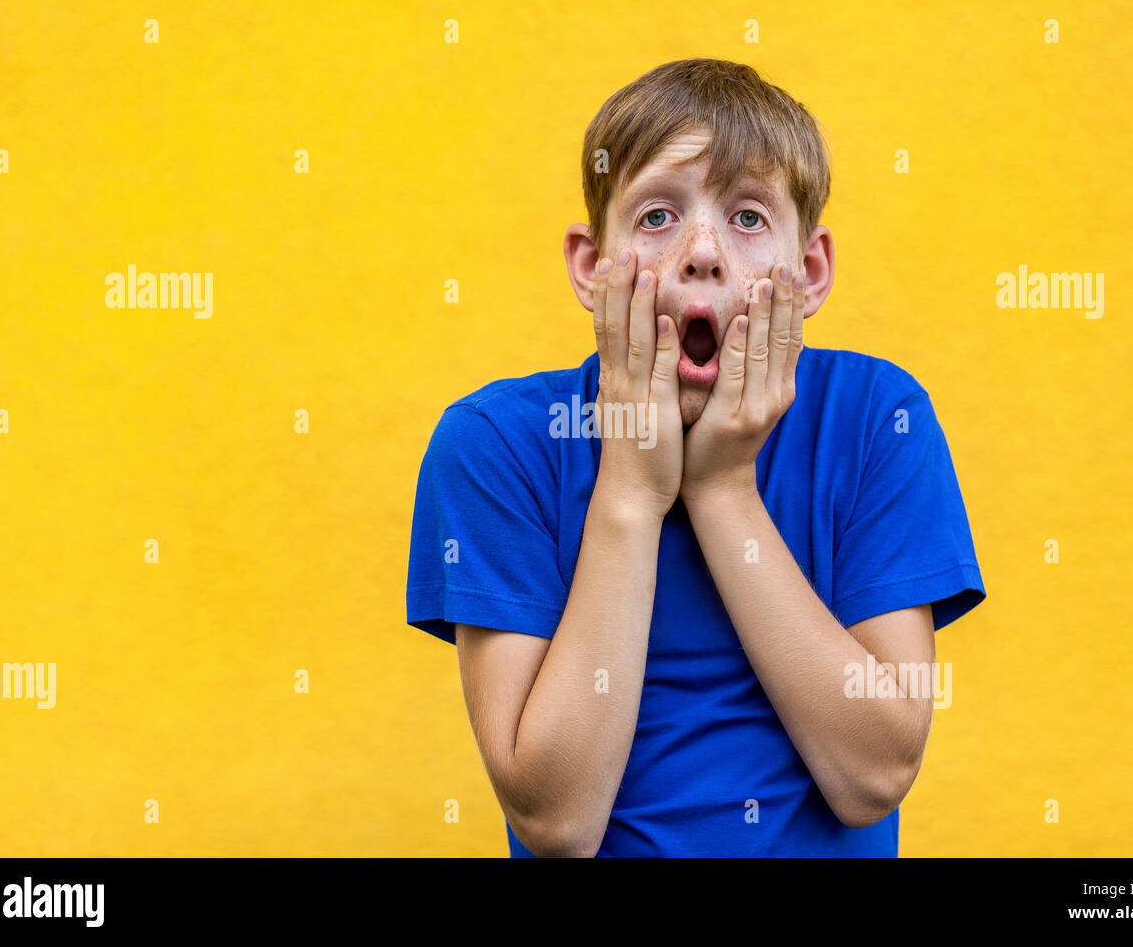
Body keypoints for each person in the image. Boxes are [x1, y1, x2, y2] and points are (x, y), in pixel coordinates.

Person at [406, 58, 986, 857]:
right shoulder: (495, 444)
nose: (702, 252)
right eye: (655, 218)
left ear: (809, 271)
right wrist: (631, 495)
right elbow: (556, 821)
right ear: (589, 264)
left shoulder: (877, 420)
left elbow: (874, 774)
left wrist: (723, 489)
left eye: (748, 218)